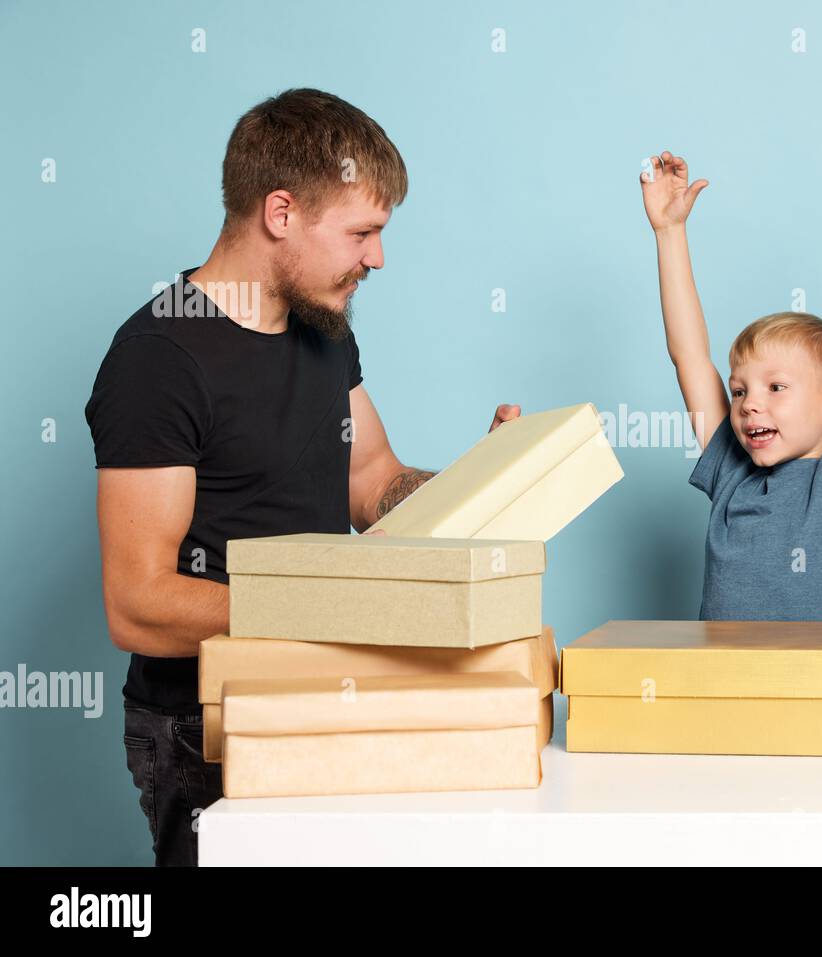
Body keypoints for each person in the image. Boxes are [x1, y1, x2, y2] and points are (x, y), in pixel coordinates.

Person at [84, 88, 519, 866]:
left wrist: (475, 483)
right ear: (280, 213)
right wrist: (325, 606)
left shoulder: (324, 329)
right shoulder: (158, 360)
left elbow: (372, 482)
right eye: (363, 232)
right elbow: (137, 603)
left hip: (323, 690)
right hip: (205, 721)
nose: (377, 257)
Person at [639, 113, 822, 622]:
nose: (750, 403)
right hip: (725, 697)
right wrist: (669, 232)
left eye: (775, 386)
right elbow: (689, 354)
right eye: (739, 392)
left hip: (821, 700)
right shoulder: (730, 471)